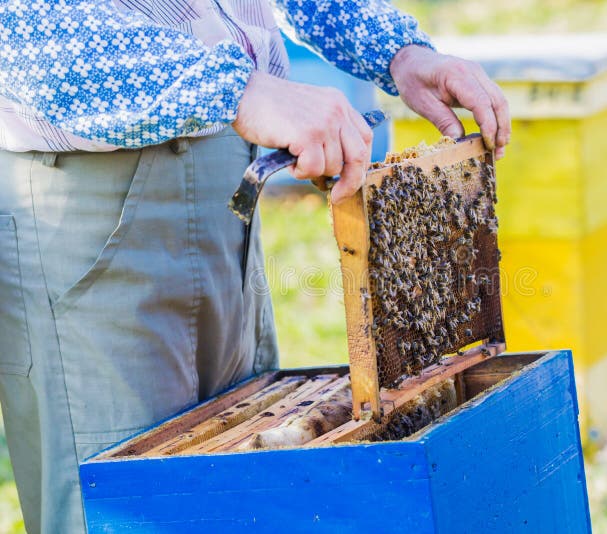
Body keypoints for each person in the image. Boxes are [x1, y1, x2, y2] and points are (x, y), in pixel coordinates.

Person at [0, 1, 510, 532]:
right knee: (127, 510)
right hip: (93, 178)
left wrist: (396, 50)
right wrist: (237, 89)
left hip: (231, 161)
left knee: (244, 499)